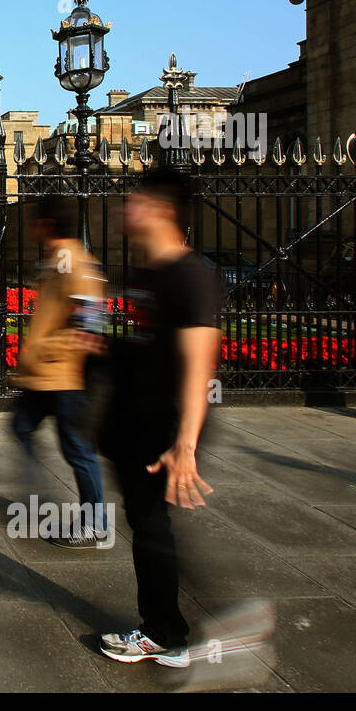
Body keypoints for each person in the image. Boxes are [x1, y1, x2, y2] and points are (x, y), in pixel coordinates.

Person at [98, 169, 222, 668]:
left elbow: (198, 364)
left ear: (160, 210)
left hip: (166, 424)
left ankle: (165, 633)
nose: (125, 208)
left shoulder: (191, 275)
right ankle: (170, 624)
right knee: (147, 520)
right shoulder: (151, 270)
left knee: (151, 523)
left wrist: (186, 443)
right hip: (138, 416)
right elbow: (152, 346)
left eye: (134, 200)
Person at [10, 196, 109, 548]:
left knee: (79, 451)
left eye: (36, 221)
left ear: (48, 224)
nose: (33, 227)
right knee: (21, 425)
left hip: (64, 378)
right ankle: (41, 501)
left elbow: (92, 318)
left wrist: (53, 351)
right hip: (43, 377)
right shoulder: (56, 260)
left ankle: (95, 523)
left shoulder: (73, 261)